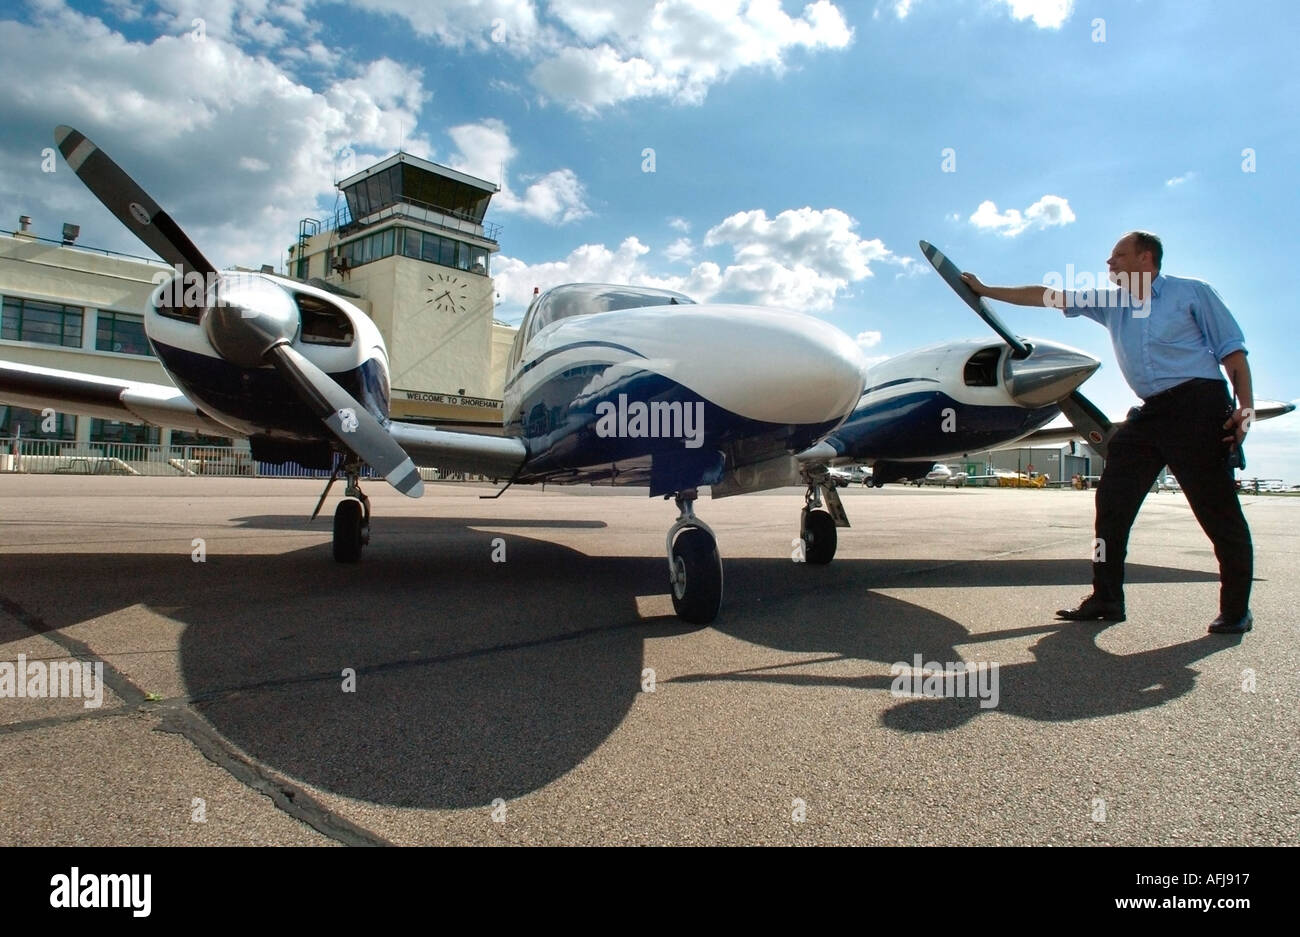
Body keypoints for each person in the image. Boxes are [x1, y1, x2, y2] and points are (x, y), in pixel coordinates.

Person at [961, 231, 1254, 635]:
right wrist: (986, 290)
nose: (1109, 262)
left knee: (1216, 510)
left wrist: (1245, 411)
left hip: (1199, 407)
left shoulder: (1193, 293)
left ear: (1146, 258)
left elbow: (1233, 354)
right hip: (1149, 415)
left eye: (1118, 254)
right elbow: (1049, 295)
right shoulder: (1110, 301)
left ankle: (1236, 609)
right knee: (1112, 502)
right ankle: (1107, 597)